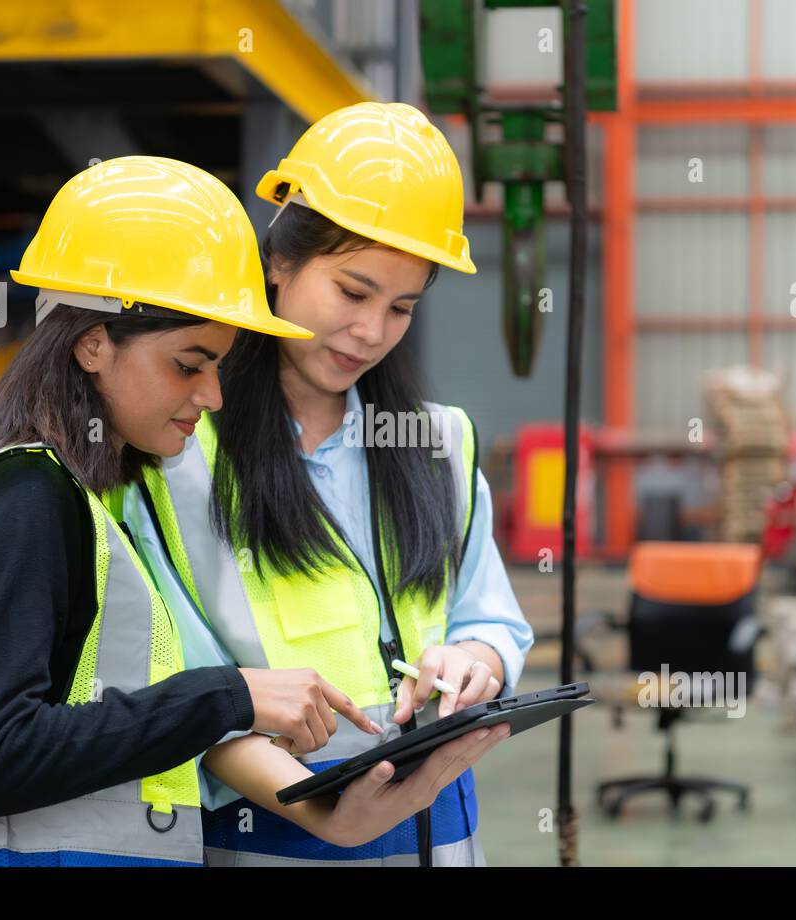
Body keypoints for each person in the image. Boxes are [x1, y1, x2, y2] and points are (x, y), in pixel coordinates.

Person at [0, 156, 497, 866]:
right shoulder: (26, 497)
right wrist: (227, 697)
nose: (212, 395)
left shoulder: (80, 500)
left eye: (217, 366)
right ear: (91, 344)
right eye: (188, 363)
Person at [126, 104, 532, 866]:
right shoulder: (178, 457)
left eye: (401, 306)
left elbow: (492, 618)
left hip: (440, 837)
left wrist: (474, 661)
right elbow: (176, 680)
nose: (372, 330)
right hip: (273, 837)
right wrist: (325, 812)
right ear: (279, 262)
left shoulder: (440, 445)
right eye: (353, 292)